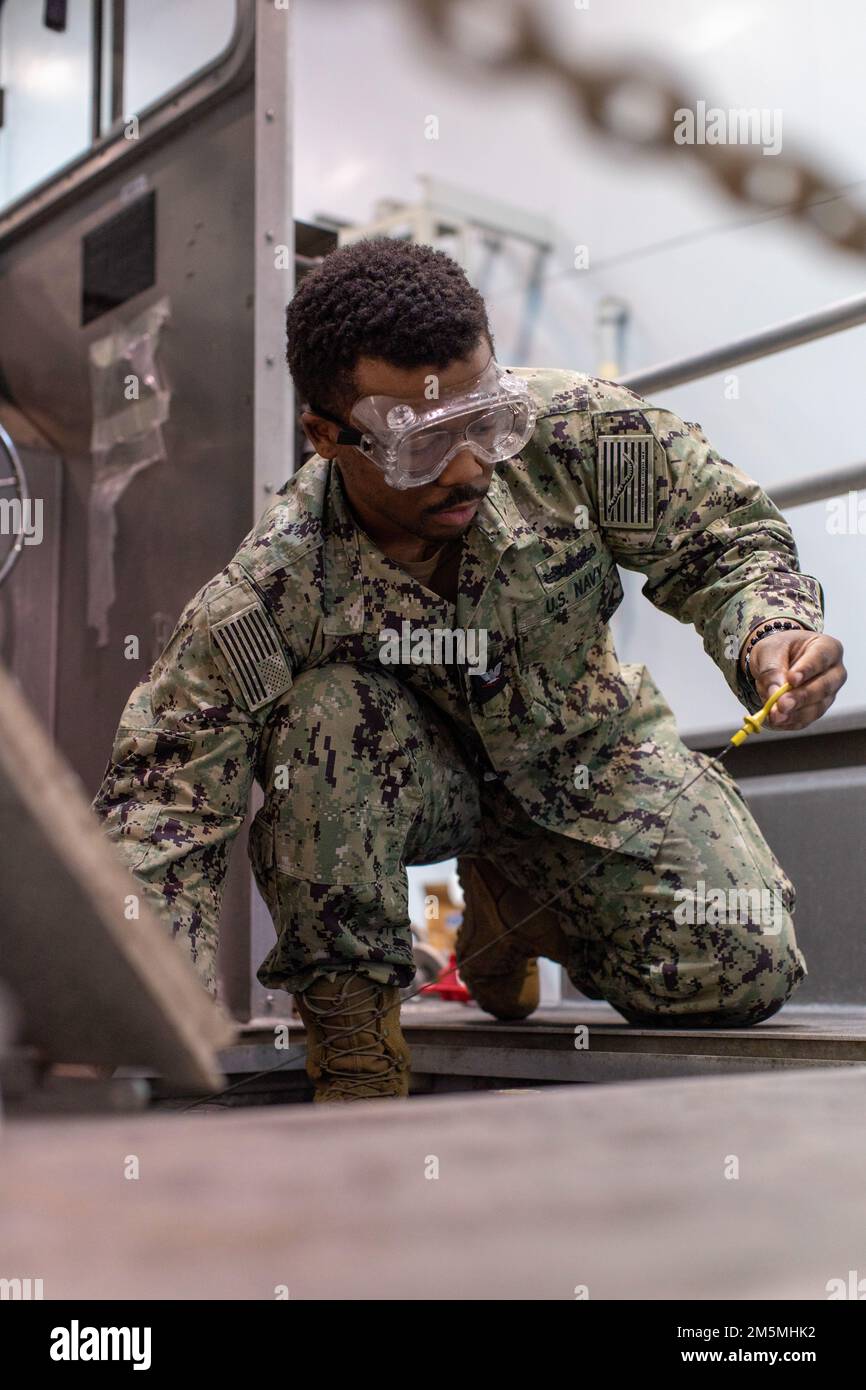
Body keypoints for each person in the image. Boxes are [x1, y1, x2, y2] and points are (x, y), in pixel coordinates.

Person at [92, 238, 846, 1102]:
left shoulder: (579, 432)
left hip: (589, 758)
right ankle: (353, 1028)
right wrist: (136, 1027)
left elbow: (724, 544)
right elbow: (167, 800)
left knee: (739, 967)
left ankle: (513, 907)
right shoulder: (279, 583)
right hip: (418, 784)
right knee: (323, 716)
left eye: (487, 421)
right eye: (422, 444)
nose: (469, 468)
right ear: (327, 437)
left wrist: (771, 634)